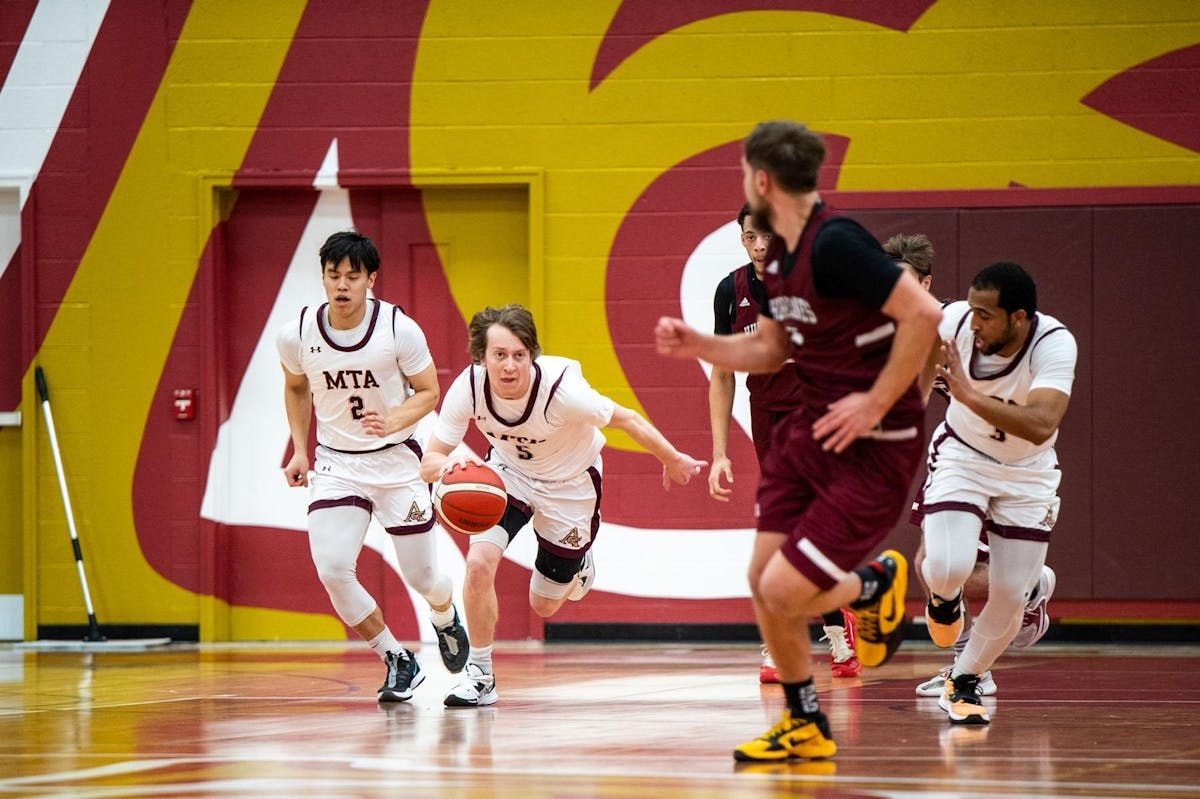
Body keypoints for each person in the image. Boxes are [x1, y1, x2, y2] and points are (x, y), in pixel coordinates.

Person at [655, 120, 943, 762]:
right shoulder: (777, 257)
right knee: (762, 580)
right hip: (804, 437)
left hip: (869, 446)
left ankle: (872, 587)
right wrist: (702, 346)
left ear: (761, 180)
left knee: (785, 589)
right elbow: (771, 348)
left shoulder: (836, 244)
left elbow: (924, 315)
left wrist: (876, 400)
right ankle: (804, 721)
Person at [421, 304, 706, 708]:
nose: (509, 366)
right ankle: (481, 675)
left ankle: (580, 565)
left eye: (519, 355)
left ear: (532, 355)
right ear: (481, 357)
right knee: (478, 564)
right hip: (509, 476)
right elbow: (428, 462)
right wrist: (449, 462)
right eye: (499, 355)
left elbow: (628, 420)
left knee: (545, 603)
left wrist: (671, 458)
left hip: (569, 486)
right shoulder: (468, 388)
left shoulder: (564, 392)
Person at [277, 230, 469, 703]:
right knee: (333, 568)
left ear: (371, 279)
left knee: (425, 578)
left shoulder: (398, 329)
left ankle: (445, 616)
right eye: (333, 275)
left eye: (352, 276)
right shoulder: (297, 332)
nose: (342, 285)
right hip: (337, 465)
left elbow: (429, 392)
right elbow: (297, 388)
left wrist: (393, 420)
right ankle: (396, 658)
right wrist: (299, 450)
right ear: (322, 276)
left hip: (398, 463)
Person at [892, 237, 1057, 700]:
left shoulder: (959, 323)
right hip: (962, 451)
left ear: (925, 282)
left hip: (1015, 459)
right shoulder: (899, 329)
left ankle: (1024, 596)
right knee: (936, 566)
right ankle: (969, 668)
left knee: (944, 567)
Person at [708, 203, 860, 682]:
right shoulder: (730, 293)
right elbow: (722, 374)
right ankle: (830, 620)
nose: (760, 246)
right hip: (767, 416)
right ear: (741, 236)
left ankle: (818, 630)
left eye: (768, 237)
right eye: (751, 236)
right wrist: (718, 453)